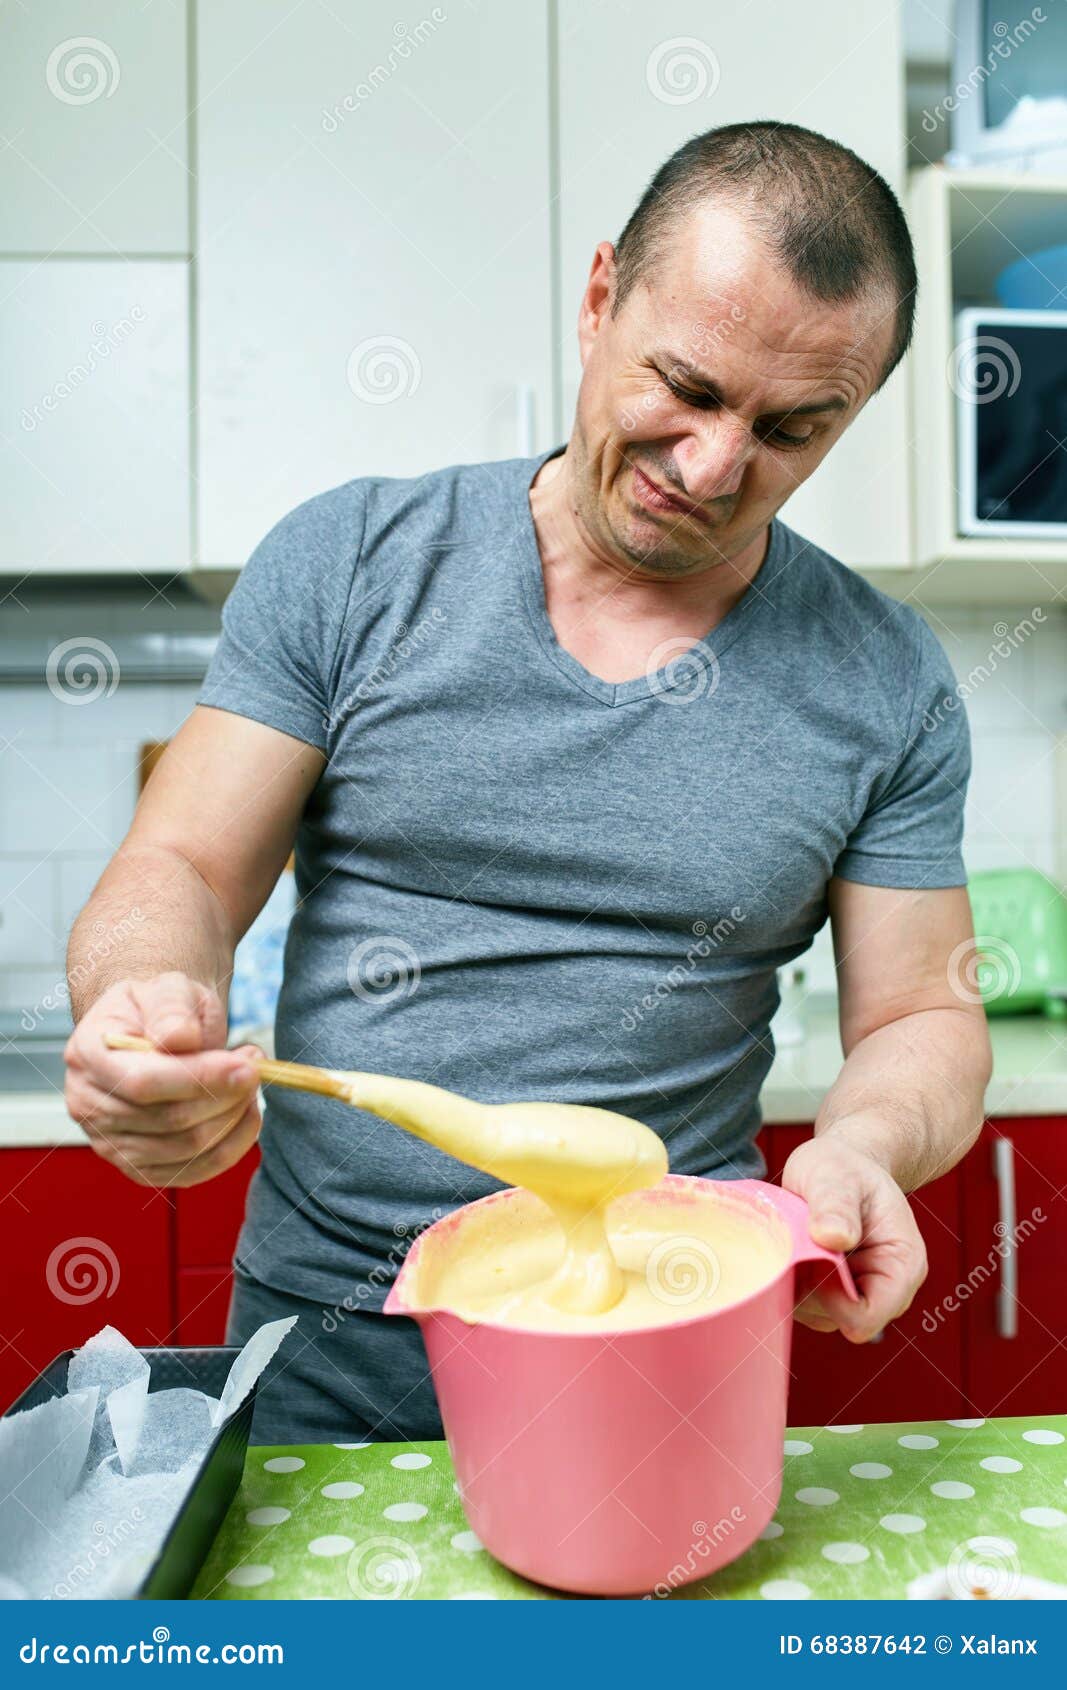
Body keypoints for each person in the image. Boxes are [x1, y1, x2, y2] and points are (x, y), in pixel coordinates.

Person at [64, 122, 991, 1442]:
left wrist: (863, 1146)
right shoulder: (357, 561)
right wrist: (145, 997)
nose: (714, 468)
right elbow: (187, 869)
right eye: (687, 387)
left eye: (792, 429)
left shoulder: (885, 676)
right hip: (330, 1337)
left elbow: (921, 1019)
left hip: (668, 1334)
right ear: (600, 296)